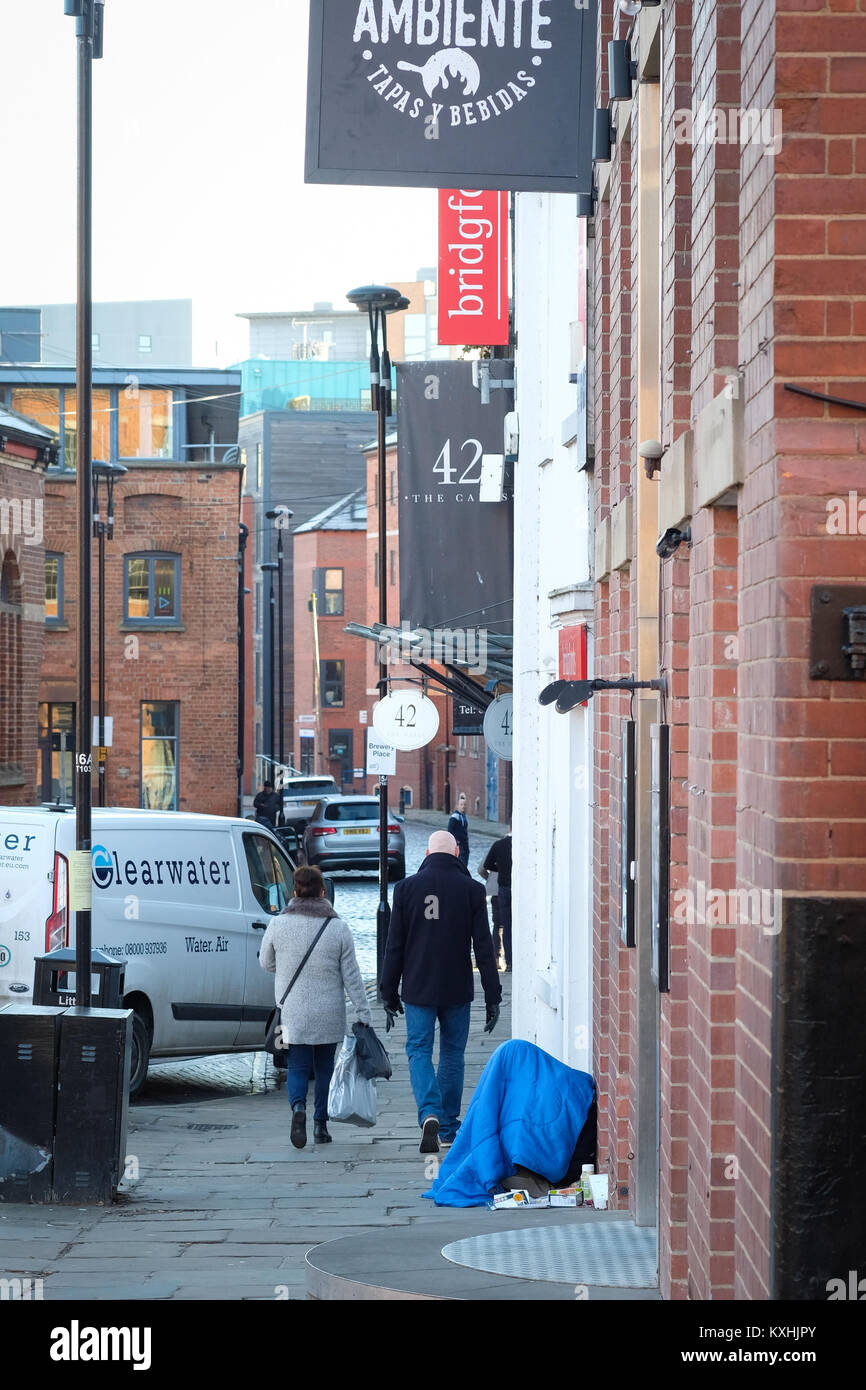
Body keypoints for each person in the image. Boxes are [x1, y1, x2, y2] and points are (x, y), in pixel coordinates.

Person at [380, 829, 502, 1154]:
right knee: (451, 1053)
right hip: (456, 987)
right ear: (459, 852)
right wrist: (493, 995)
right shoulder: (472, 891)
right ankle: (447, 1126)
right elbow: (485, 949)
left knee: (418, 1051)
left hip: (418, 986)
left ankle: (429, 1113)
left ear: (426, 855)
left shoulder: (406, 889)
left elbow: (394, 946)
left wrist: (387, 991)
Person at [259, 864, 371, 1148]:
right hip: (329, 1011)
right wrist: (363, 1012)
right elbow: (352, 976)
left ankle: (299, 1108)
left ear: (294, 891)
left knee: (296, 1065)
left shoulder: (278, 924)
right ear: (323, 892)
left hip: (293, 1010)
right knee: (324, 1069)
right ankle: (321, 1126)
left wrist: (284, 968)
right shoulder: (339, 928)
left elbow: (265, 962)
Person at [423, 1039, 597, 1208]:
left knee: (495, 1164)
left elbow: (487, 1142)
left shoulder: (513, 1113)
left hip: (563, 1171)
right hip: (582, 1159)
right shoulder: (572, 1082)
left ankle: (545, 1188)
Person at [480, 826, 512, 971]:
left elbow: (484, 867)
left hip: (499, 889)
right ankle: (509, 959)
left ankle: (499, 958)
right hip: (509, 887)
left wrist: (495, 873)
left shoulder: (498, 845)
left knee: (501, 925)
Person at [447, 792, 470, 868]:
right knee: (461, 862)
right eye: (461, 805)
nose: (463, 806)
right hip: (459, 844)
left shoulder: (463, 816)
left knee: (465, 862)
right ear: (457, 806)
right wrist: (455, 841)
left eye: (464, 805)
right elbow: (450, 830)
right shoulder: (455, 817)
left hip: (465, 843)